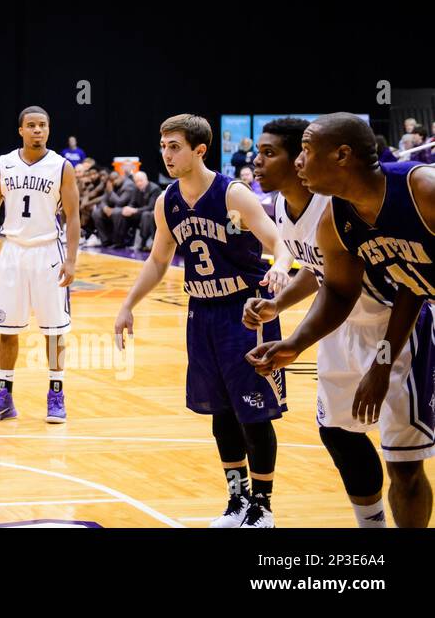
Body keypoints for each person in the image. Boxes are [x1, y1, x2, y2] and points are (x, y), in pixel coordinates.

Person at [248, 114, 435, 524]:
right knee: (350, 437)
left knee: (405, 462)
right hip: (371, 324)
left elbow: (412, 289)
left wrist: (384, 361)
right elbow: (337, 286)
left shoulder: (422, 189)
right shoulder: (337, 218)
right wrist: (293, 340)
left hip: (404, 326)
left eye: (307, 151)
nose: (299, 161)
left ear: (342, 155)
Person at [114, 114, 291, 528]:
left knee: (254, 411)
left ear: (199, 150)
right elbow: (159, 260)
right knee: (221, 412)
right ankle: (237, 502)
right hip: (202, 313)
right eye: (163, 146)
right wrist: (128, 304)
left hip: (246, 312)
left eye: (174, 146)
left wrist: (282, 265)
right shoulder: (166, 201)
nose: (166, 154)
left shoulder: (234, 195)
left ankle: (263, 507)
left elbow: (278, 240)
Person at [0, 106, 80, 424]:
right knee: (6, 330)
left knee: (54, 330)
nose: (38, 130)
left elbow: (74, 216)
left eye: (43, 125)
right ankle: (5, 396)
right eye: (31, 125)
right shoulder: (4, 163)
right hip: (13, 253)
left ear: (49, 130)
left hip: (48, 253)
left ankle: (56, 394)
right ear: (20, 130)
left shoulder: (62, 166)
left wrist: (73, 260)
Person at [90, 169, 131, 248]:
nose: (114, 182)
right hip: (113, 209)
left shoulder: (128, 185)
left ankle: (118, 242)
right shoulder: (111, 185)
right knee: (96, 212)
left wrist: (111, 192)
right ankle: (105, 240)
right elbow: (103, 201)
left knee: (116, 212)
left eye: (115, 179)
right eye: (112, 180)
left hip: (126, 209)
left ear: (120, 177)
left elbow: (120, 202)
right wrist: (105, 208)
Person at [122, 170, 162, 250]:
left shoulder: (155, 189)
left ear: (146, 179)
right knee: (121, 213)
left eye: (141, 181)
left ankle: (143, 241)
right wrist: (128, 208)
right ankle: (122, 241)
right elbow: (132, 203)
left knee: (146, 215)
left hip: (152, 213)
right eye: (137, 181)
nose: (139, 183)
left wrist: (135, 210)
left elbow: (151, 207)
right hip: (140, 212)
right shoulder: (136, 189)